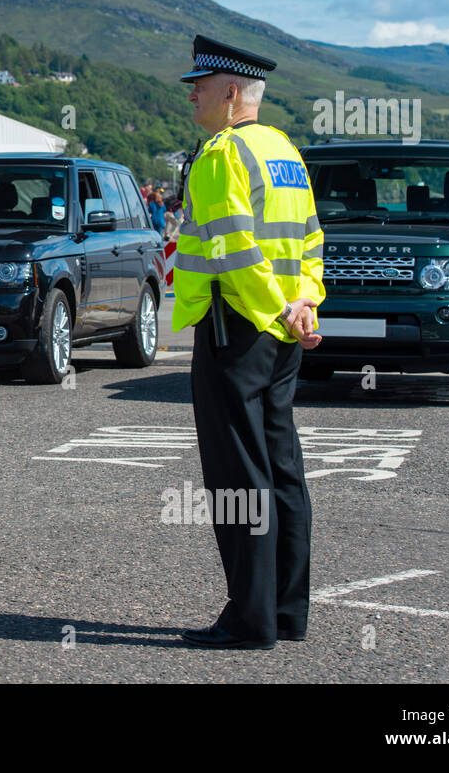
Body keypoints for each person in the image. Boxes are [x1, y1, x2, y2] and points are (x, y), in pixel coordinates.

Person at [172, 35, 325, 650]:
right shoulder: (285, 150)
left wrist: (270, 311)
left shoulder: (221, 154)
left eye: (200, 87)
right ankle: (287, 614)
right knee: (282, 468)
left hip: (237, 328)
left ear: (232, 93)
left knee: (239, 477)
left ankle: (249, 619)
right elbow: (310, 239)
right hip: (285, 332)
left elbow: (233, 249)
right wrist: (302, 307)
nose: (193, 96)